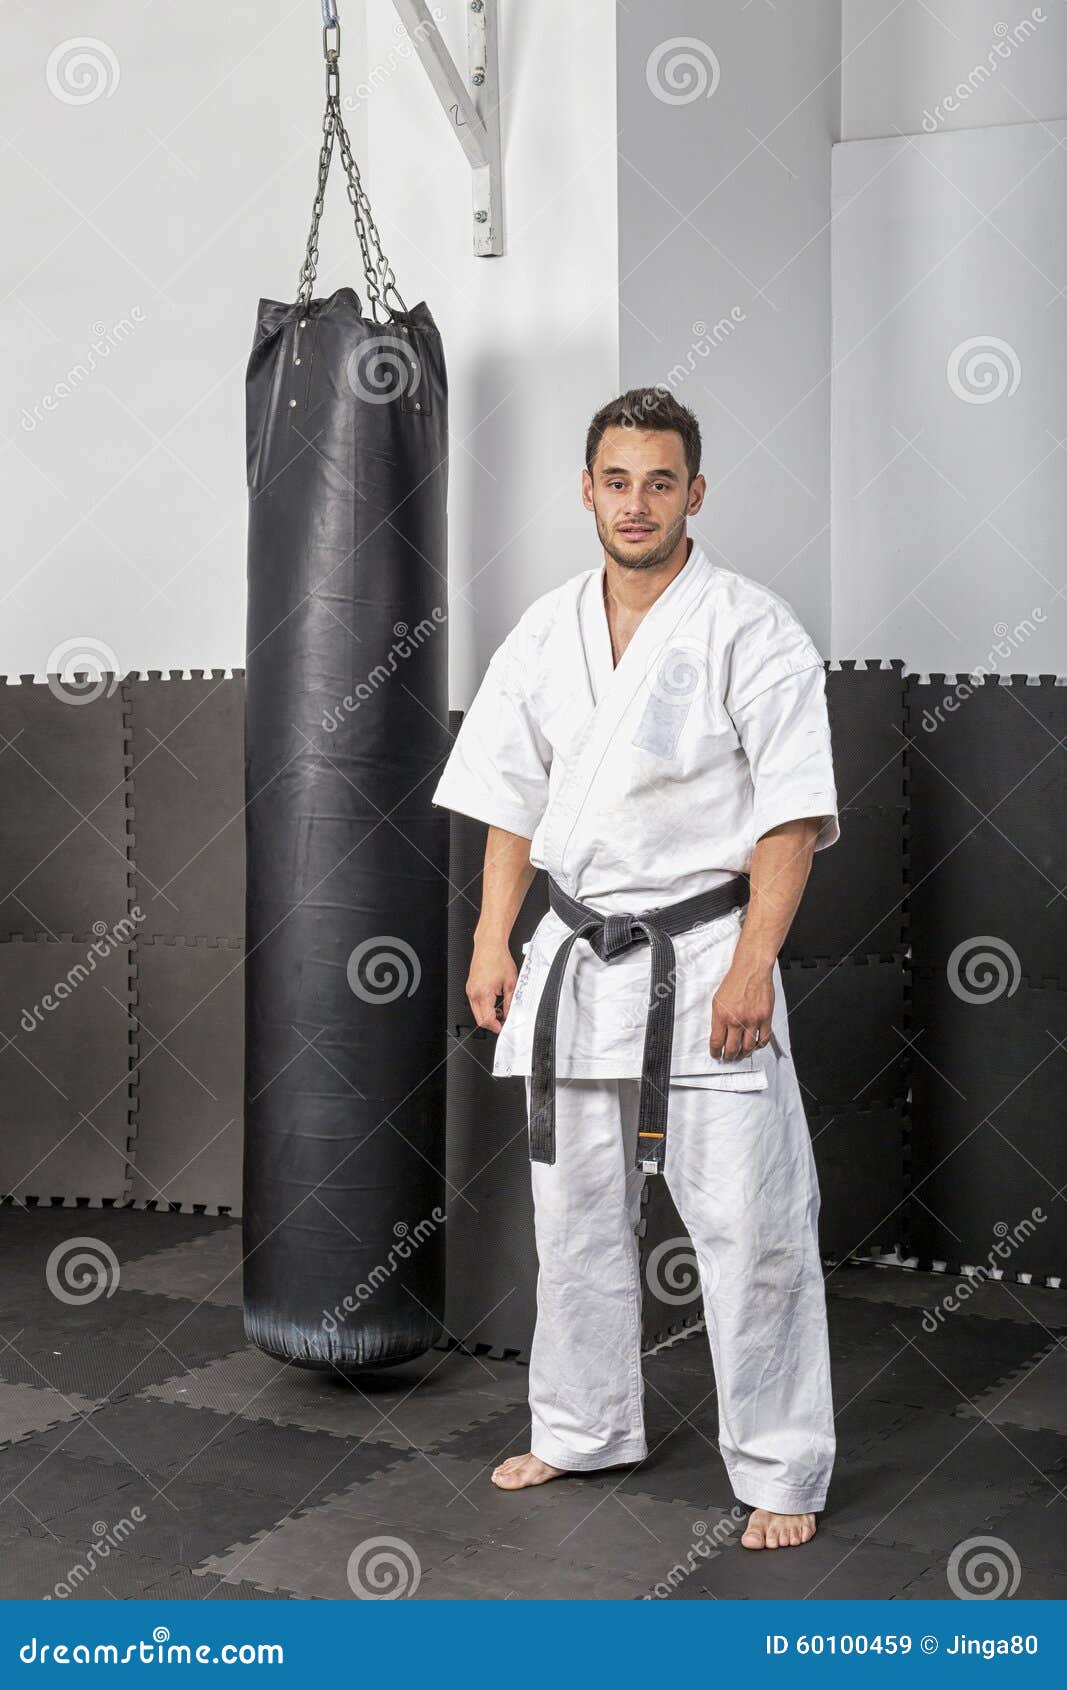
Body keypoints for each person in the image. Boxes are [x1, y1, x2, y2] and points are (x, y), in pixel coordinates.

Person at [431, 387, 839, 1552]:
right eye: (617, 480)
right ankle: (580, 1424)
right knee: (573, 1220)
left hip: (706, 954)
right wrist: (489, 938)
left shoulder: (749, 628)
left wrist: (752, 966)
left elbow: (790, 818)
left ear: (693, 495)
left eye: (660, 482)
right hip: (572, 962)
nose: (637, 502)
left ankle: (778, 1461)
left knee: (751, 1223)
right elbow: (511, 798)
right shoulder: (542, 631)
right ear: (586, 490)